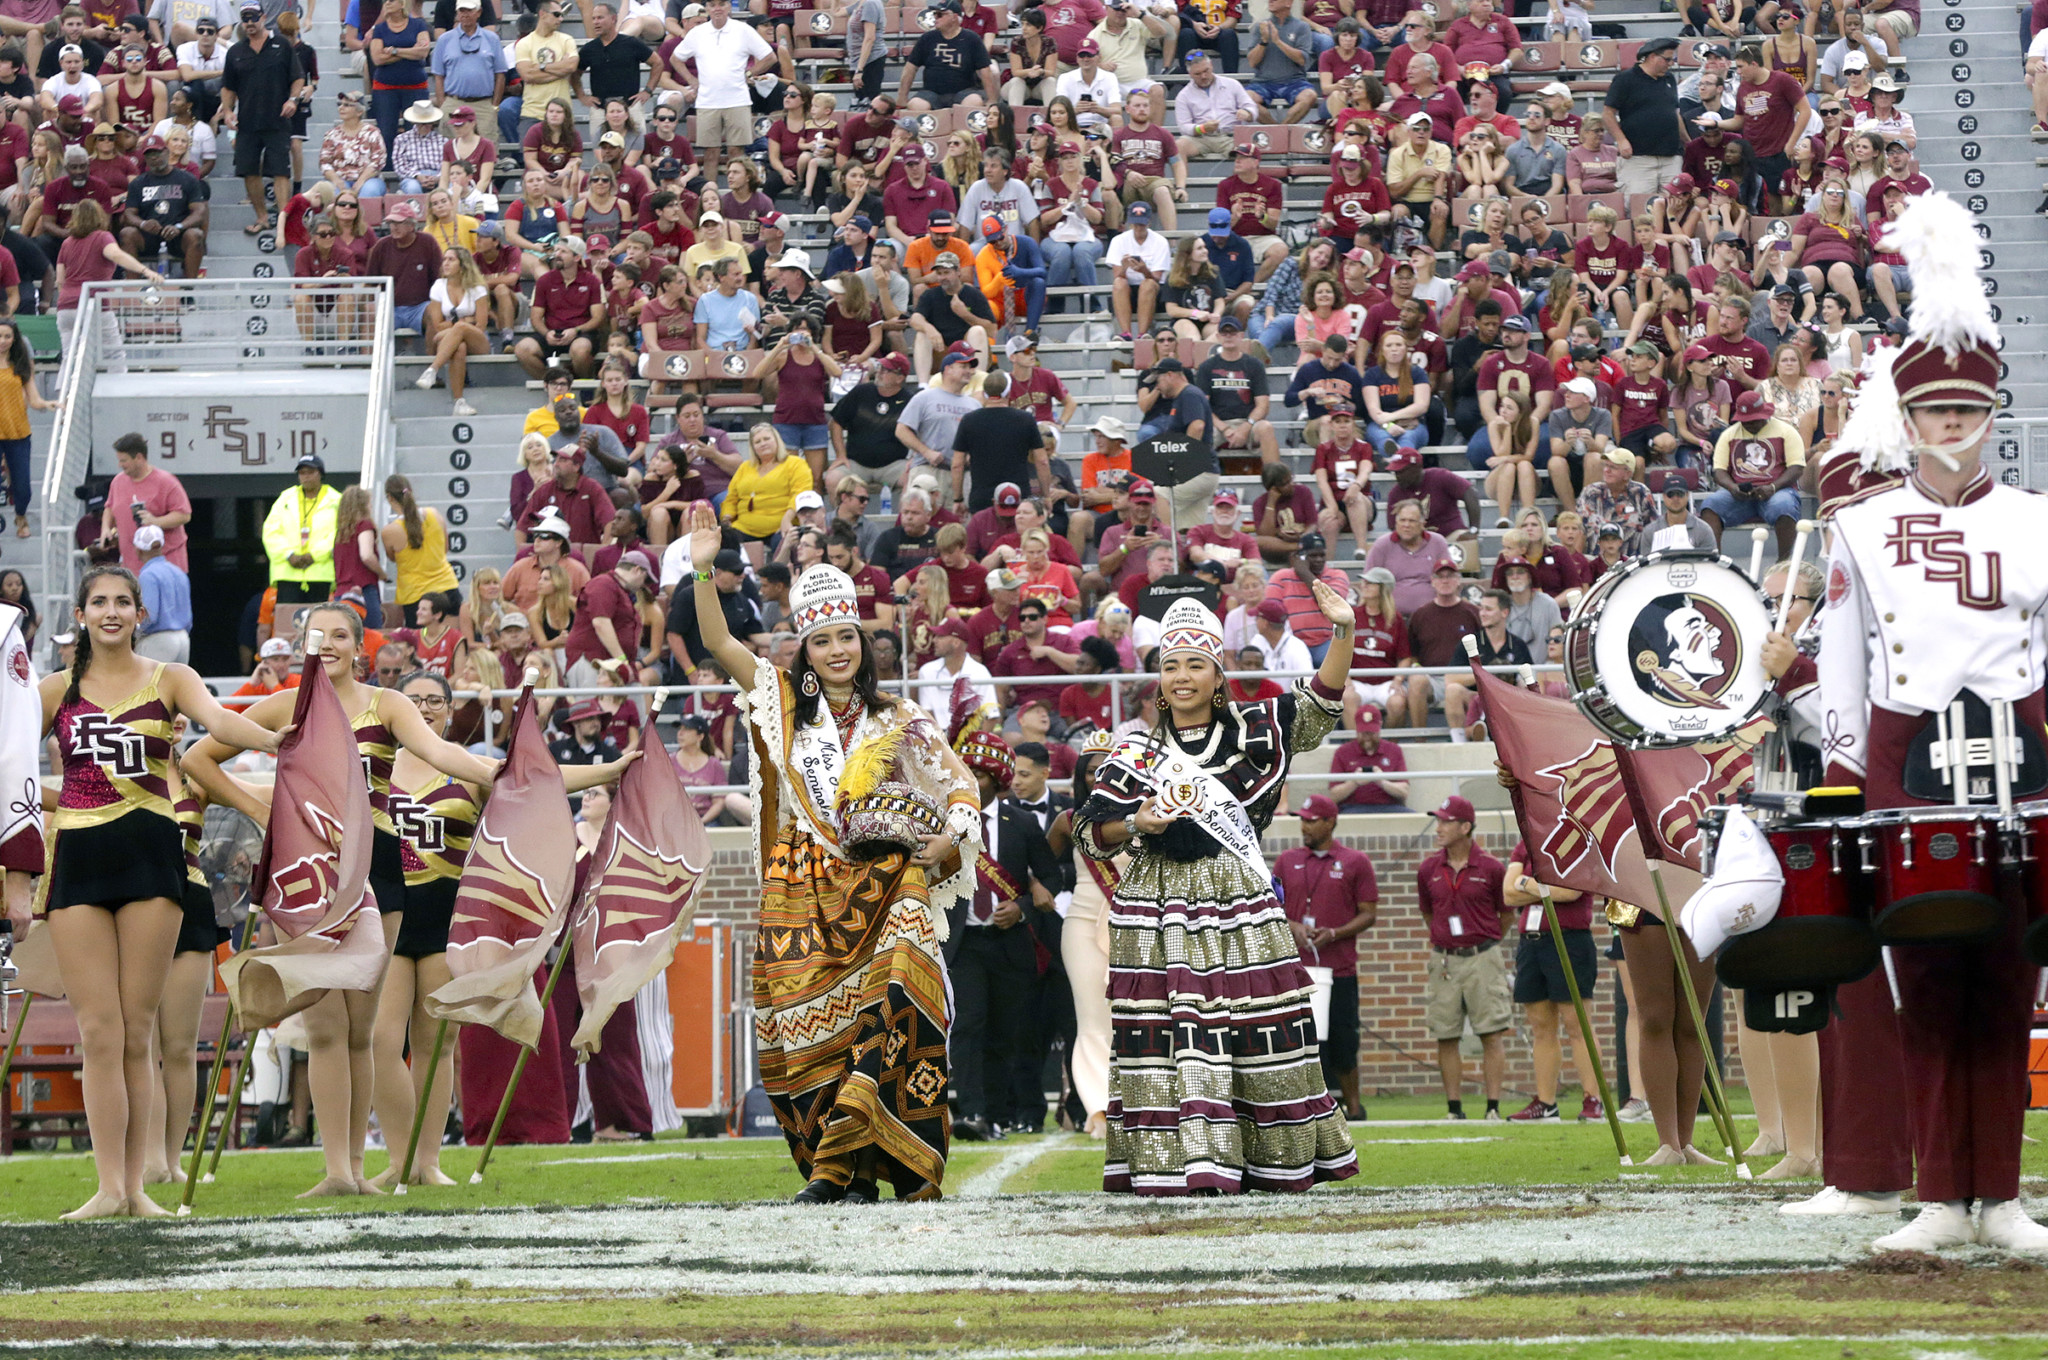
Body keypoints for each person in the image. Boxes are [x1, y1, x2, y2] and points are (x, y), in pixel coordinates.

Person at [1812, 221, 2048, 1250]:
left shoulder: (2038, 520)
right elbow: (1842, 663)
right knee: (1922, 979)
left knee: (2009, 981)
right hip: (1908, 773)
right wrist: (1837, 784)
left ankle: (2001, 1197)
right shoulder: (1856, 528)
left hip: (2024, 763)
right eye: (1933, 407)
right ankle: (1936, 1200)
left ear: (1990, 413)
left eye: (1965, 406)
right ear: (1904, 417)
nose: (1949, 421)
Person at [680, 508, 979, 1202]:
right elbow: (717, 637)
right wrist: (702, 567)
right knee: (808, 1030)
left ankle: (886, 1153)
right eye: (824, 640)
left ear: (864, 643)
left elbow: (956, 781)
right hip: (801, 885)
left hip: (882, 883)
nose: (838, 650)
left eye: (849, 636)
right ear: (805, 649)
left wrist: (951, 835)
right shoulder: (779, 701)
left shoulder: (899, 718)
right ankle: (833, 1168)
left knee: (895, 998)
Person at [182, 603, 501, 1199]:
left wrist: (503, 772)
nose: (325, 644)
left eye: (338, 636)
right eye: (313, 636)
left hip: (377, 866)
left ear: (361, 649)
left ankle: (356, 1170)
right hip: (308, 869)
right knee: (326, 1025)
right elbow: (197, 757)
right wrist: (258, 807)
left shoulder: (389, 705)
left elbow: (445, 756)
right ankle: (336, 1171)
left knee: (362, 1029)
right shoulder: (285, 704)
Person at [1073, 591, 1360, 1194]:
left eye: (1195, 664)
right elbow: (1089, 830)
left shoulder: (1259, 730)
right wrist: (1137, 824)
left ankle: (1265, 1162)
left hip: (1238, 900)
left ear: (1218, 673)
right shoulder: (1136, 750)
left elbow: (1321, 703)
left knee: (1255, 1027)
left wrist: (1344, 631)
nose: (1182, 677)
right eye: (1171, 665)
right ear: (1157, 677)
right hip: (1155, 908)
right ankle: (1175, 1165)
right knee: (1168, 1036)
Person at [35, 565, 283, 1219]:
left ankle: (137, 1188)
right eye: (99, 602)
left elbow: (219, 723)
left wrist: (273, 739)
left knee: (138, 1029)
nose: (111, 611)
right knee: (98, 1031)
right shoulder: (53, 689)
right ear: (81, 613)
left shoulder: (170, 678)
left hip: (152, 862)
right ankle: (108, 1186)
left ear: (141, 614)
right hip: (79, 861)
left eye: (123, 602)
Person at [1276, 794, 1376, 1119]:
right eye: (1302, 819)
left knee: (1343, 1042)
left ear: (1330, 821)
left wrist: (1334, 933)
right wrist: (1293, 926)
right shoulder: (1287, 860)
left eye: (1311, 819)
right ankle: (1297, 1109)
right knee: (1295, 1042)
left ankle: (1354, 1107)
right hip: (1295, 971)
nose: (1304, 826)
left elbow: (1369, 913)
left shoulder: (1354, 861)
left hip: (1339, 969)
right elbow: (1271, 908)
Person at [1415, 794, 1509, 1119]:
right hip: (1443, 959)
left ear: (1465, 827)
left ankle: (1492, 1108)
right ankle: (1454, 1109)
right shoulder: (1428, 868)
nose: (1438, 827)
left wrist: (1483, 939)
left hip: (1483, 956)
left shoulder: (1493, 867)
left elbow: (1506, 914)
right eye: (1438, 820)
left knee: (1491, 1032)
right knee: (1445, 1033)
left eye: (1445, 821)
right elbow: (1428, 912)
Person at [1045, 730, 1117, 1138]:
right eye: (1091, 771)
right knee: (1092, 1021)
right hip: (1084, 924)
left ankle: (1145, 1104)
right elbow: (1040, 862)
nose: (1099, 776)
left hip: (1136, 924)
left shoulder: (1144, 813)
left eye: (1107, 769)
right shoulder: (1068, 820)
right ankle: (1100, 1110)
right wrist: (1041, 889)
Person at [1501, 840, 1604, 1123]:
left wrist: (1527, 884)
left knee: (1577, 1023)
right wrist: (1543, 890)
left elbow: (1570, 892)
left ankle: (1593, 1098)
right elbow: (1508, 894)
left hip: (1570, 939)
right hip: (1532, 940)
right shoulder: (1524, 845)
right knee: (1541, 1026)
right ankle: (1546, 1103)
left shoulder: (1575, 841)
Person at [219, 0, 302, 238]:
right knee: (249, 170)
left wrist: (292, 100)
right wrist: (227, 111)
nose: (249, 23)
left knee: (280, 172)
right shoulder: (235, 51)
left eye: (253, 17)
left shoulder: (282, 45)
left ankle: (283, 222)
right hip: (247, 121)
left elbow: (297, 77)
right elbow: (228, 86)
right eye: (245, 18)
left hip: (277, 119)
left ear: (264, 18)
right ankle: (262, 218)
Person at [1701, 388, 1804, 558]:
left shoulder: (1786, 431)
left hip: (1777, 490)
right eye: (1745, 421)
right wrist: (1733, 487)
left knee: (1784, 505)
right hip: (1740, 493)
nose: (1749, 424)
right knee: (1711, 505)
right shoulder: (1728, 435)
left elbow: (1797, 468)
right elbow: (1719, 470)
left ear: (1764, 415)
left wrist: (1772, 487)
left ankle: (1784, 562)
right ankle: (1715, 560)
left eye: (1754, 420)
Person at [673, 0, 772, 166]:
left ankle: (737, 191)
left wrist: (748, 73)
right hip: (707, 102)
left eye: (721, 4)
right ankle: (709, 191)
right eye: (712, 5)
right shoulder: (697, 33)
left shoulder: (743, 30)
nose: (717, 9)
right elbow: (675, 59)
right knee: (710, 153)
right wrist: (691, 80)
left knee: (737, 152)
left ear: (728, 7)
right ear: (707, 9)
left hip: (738, 100)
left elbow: (769, 57)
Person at [1602, 36, 1683, 196]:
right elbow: (1608, 113)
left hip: (1670, 157)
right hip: (1638, 158)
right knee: (1639, 206)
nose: (1670, 63)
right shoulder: (1625, 79)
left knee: (1675, 205)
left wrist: (1686, 141)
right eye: (1667, 59)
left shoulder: (1669, 79)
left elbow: (1674, 113)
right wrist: (1621, 140)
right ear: (1652, 56)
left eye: (1672, 59)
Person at [99, 430, 189, 573]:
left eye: (124, 460)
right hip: (131, 566)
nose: (120, 465)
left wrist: (155, 521)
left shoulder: (166, 481)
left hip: (166, 564)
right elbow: (109, 508)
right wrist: (105, 529)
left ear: (139, 458)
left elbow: (184, 515)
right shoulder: (118, 482)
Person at [261, 452, 340, 604]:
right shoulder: (286, 498)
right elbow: (270, 531)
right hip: (288, 574)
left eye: (311, 472)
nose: (306, 476)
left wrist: (314, 555)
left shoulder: (336, 500)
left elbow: (338, 534)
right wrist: (289, 554)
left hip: (320, 574)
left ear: (321, 474)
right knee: (289, 623)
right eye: (302, 473)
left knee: (319, 623)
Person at [1328, 703, 1408, 811]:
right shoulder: (1342, 752)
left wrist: (1382, 781)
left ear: (1379, 728)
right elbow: (1333, 796)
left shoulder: (1394, 750)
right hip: (1353, 808)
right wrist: (1354, 782)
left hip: (1389, 807)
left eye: (1371, 733)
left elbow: (1404, 792)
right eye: (1363, 733)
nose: (1367, 737)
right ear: (1356, 729)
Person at [131, 524, 189, 663]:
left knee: (149, 684)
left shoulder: (148, 575)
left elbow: (149, 616)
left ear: (138, 550)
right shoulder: (179, 572)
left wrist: (133, 634)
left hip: (158, 640)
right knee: (177, 684)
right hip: (183, 637)